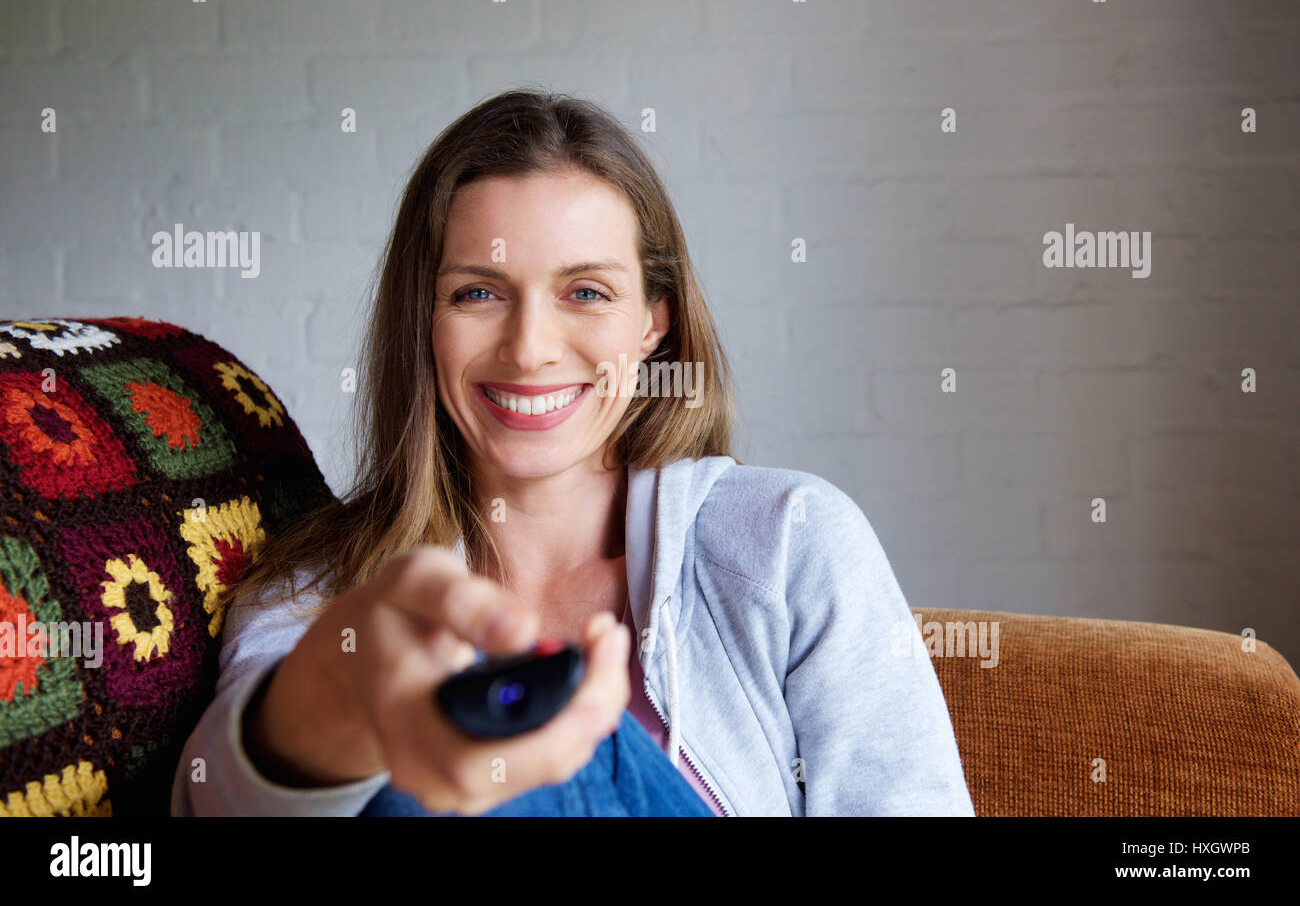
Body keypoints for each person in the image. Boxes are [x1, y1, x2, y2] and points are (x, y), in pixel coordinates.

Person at [170, 88, 975, 817]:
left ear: (652, 322)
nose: (530, 349)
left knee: (517, 716)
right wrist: (348, 697)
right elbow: (214, 803)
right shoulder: (316, 592)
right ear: (424, 321)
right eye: (478, 293)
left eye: (585, 292)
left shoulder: (791, 540)